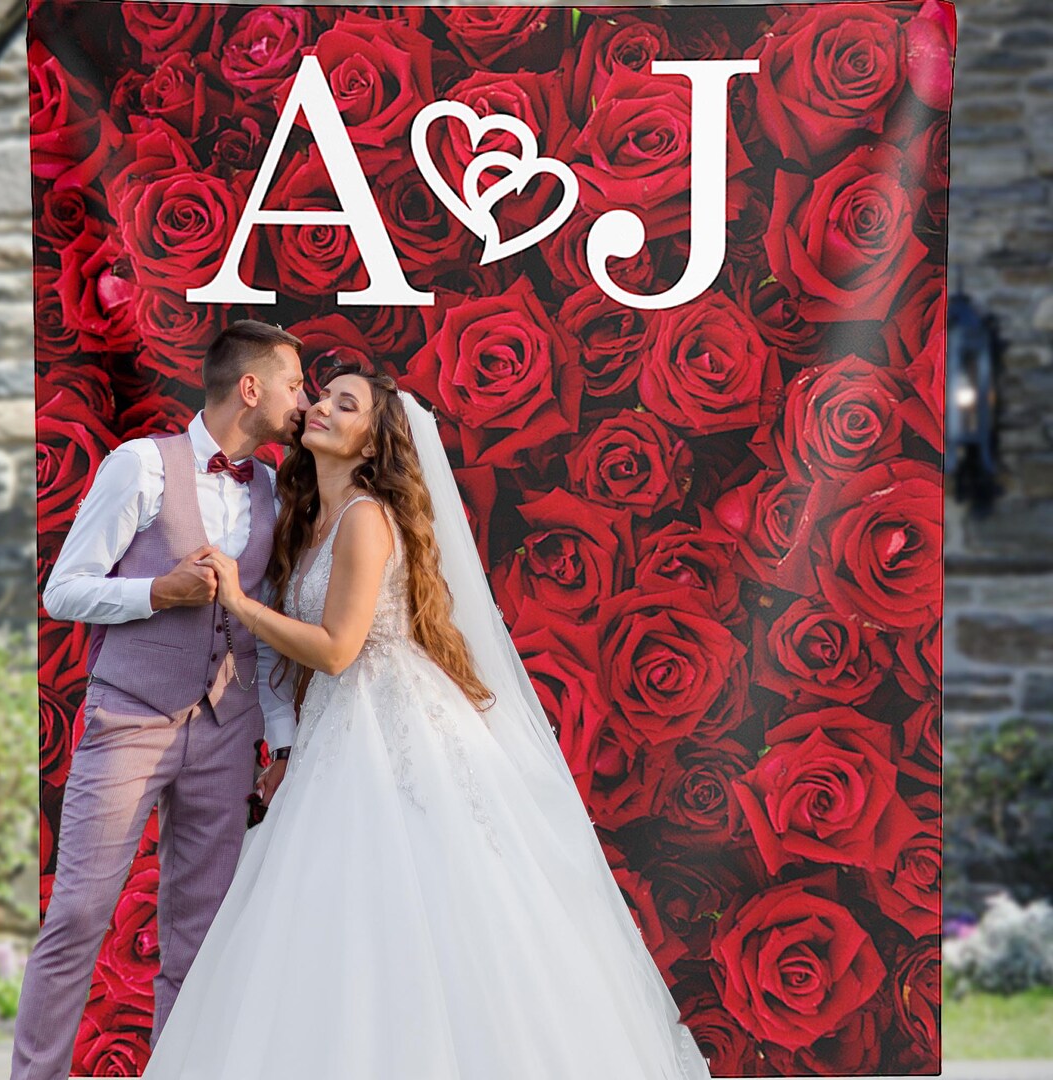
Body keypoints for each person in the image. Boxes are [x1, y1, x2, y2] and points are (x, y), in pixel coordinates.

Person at [142, 365, 710, 1080]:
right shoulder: (313, 519)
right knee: (337, 920)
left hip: (393, 727)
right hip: (336, 733)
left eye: (343, 405)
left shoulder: (367, 518)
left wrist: (237, 600)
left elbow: (340, 650)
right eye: (322, 396)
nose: (319, 407)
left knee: (424, 906)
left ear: (372, 444)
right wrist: (286, 746)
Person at [12, 321, 310, 1080]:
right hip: (131, 719)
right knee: (78, 915)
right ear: (252, 388)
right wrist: (159, 592)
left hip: (227, 728)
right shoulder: (139, 466)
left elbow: (265, 630)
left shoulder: (272, 488)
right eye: (294, 384)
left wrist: (277, 739)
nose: (301, 399)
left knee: (199, 936)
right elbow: (62, 591)